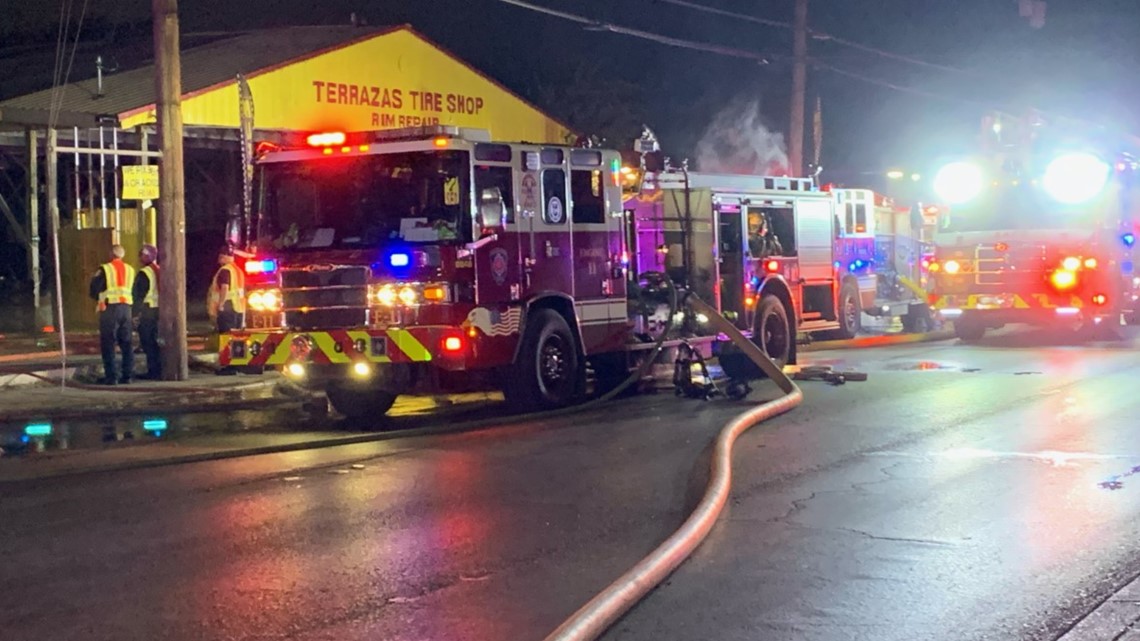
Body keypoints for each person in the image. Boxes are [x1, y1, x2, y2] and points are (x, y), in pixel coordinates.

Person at [88, 244, 136, 385]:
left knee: (108, 343)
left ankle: (111, 376)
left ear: (111, 254)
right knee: (126, 343)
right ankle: (127, 376)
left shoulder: (105, 269)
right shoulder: (130, 269)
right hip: (126, 308)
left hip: (110, 308)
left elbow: (94, 289)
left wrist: (99, 298)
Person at [208, 247, 246, 375]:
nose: (219, 259)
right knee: (236, 338)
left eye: (220, 257)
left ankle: (229, 367)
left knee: (226, 337)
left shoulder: (225, 270)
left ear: (225, 257)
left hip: (227, 308)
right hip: (238, 308)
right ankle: (237, 365)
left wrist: (221, 304)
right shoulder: (238, 270)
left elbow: (224, 288)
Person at [132, 244, 161, 380]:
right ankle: (157, 370)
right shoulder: (158, 270)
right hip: (158, 309)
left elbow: (138, 295)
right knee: (155, 342)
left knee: (148, 342)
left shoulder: (144, 273)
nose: (139, 257)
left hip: (147, 310)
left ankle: (153, 371)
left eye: (141, 255)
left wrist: (134, 313)